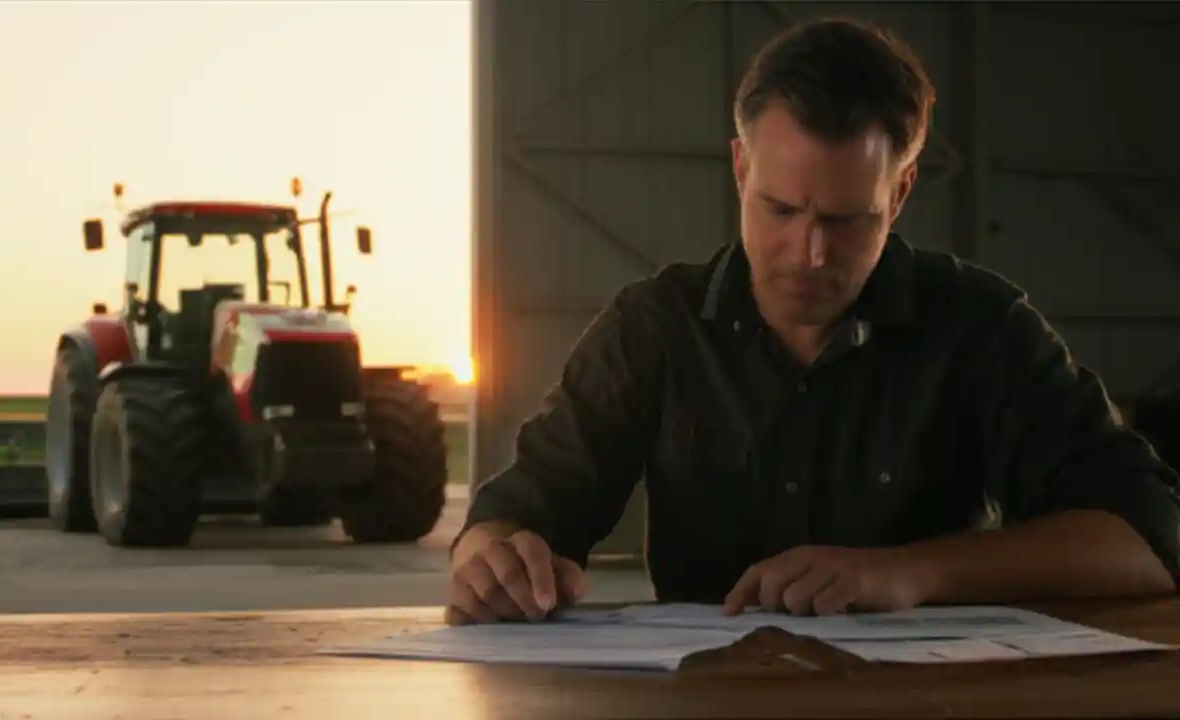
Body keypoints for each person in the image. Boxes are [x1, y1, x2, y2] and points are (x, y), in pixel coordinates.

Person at [447, 16, 1180, 625]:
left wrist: (909, 574)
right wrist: (495, 556)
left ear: (901, 193)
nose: (809, 252)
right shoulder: (654, 328)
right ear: (740, 168)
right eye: (781, 210)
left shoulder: (981, 328)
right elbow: (517, 514)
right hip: (707, 703)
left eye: (847, 220)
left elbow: (1150, 541)